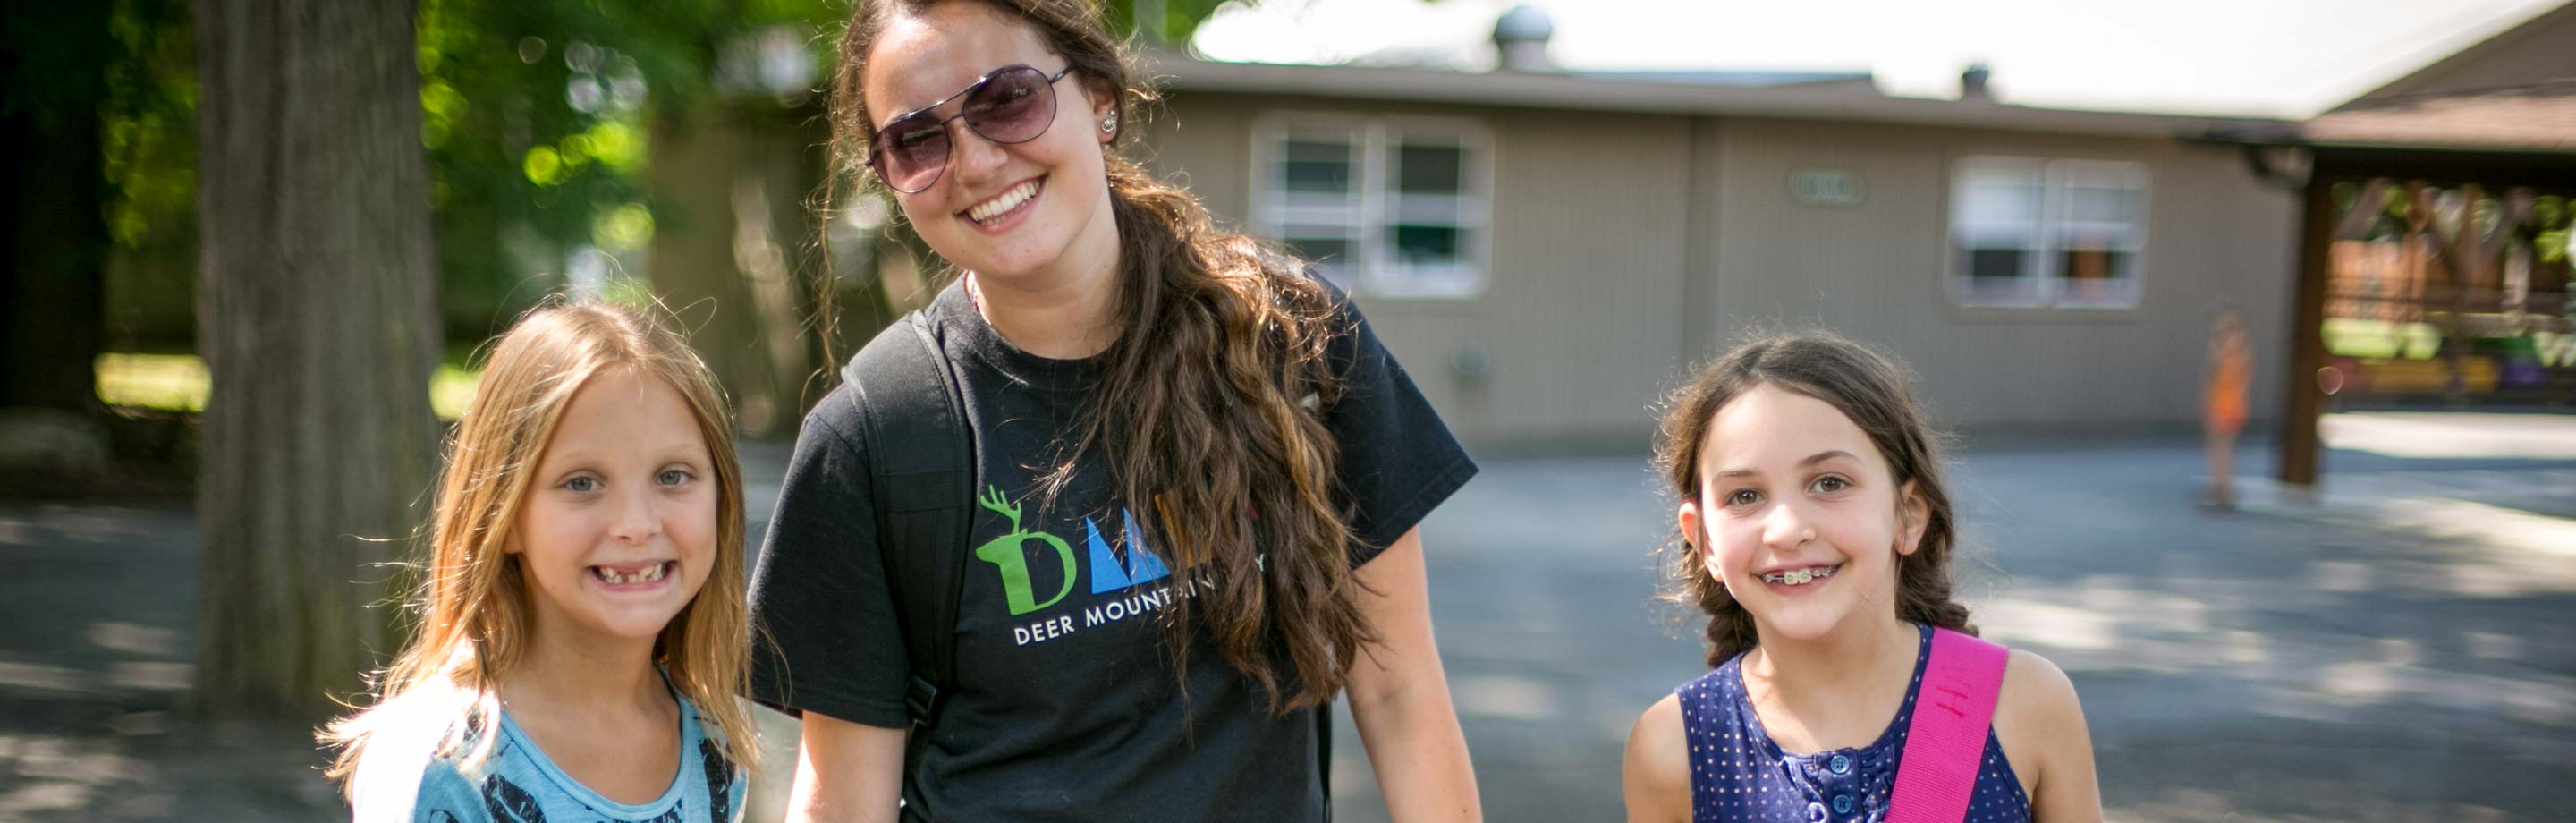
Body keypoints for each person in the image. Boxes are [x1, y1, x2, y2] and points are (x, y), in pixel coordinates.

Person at [744, 1, 1483, 821]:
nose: (978, 161)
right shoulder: (875, 436)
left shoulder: (1293, 340)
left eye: (1007, 100)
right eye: (917, 141)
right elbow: (844, 799)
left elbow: (1401, 692)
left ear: (1099, 95)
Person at [1620, 332, 2100, 823]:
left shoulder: (2025, 703)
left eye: (1830, 483)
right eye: (1745, 496)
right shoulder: (1673, 748)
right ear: (1704, 542)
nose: (1786, 530)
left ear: (1908, 514)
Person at [320, 302, 756, 822]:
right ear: (504, 518)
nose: (636, 524)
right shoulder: (443, 767)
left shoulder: (716, 748)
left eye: (672, 476)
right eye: (582, 483)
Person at [2203, 306, 2251, 510]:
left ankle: (2222, 487)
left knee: (2222, 448)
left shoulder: (2231, 354)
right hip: (2224, 403)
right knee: (2220, 447)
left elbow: (2220, 375)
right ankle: (2220, 485)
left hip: (2226, 405)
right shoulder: (2240, 353)